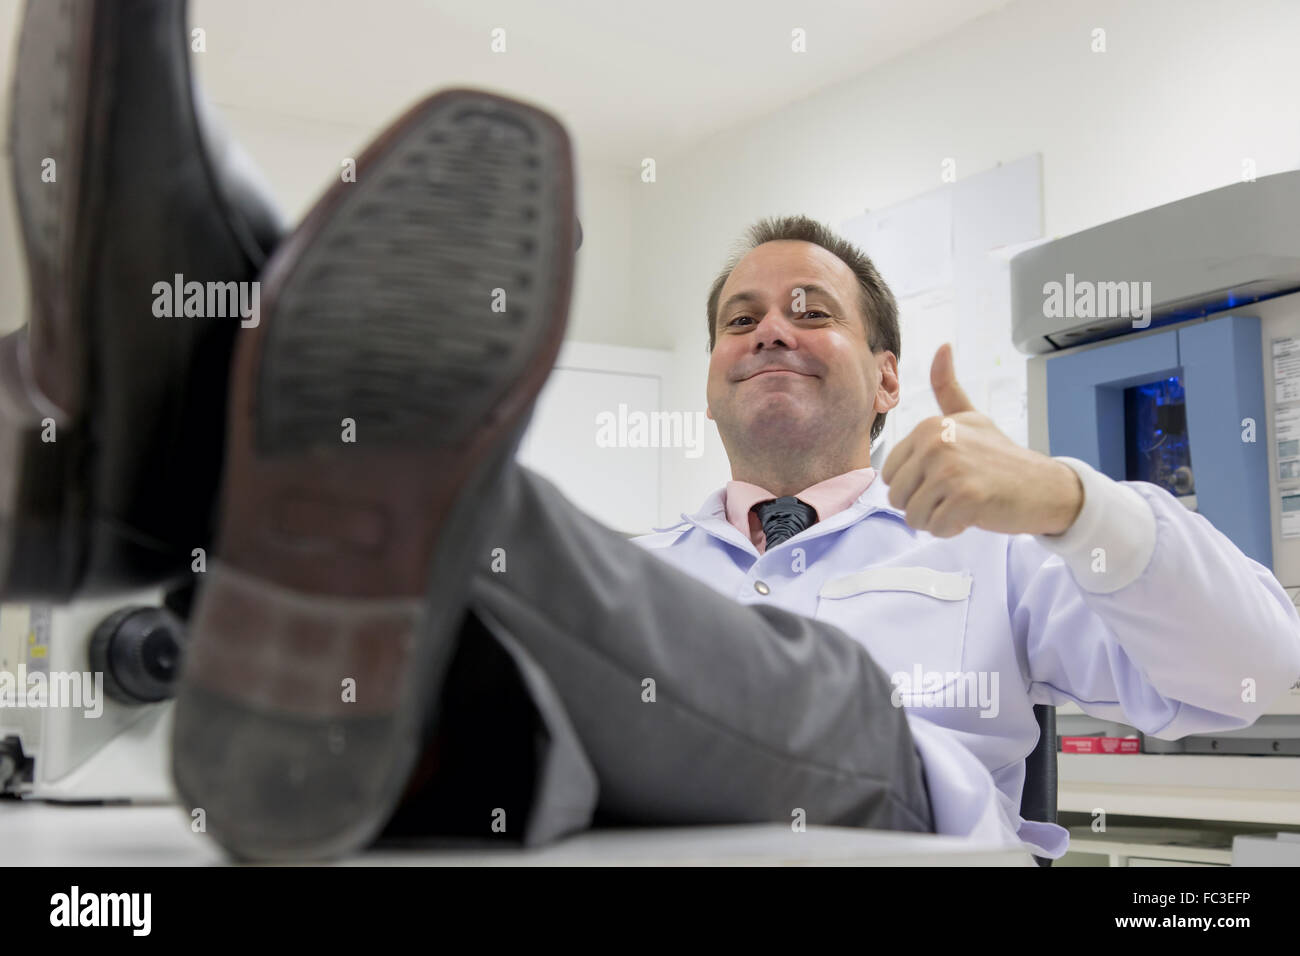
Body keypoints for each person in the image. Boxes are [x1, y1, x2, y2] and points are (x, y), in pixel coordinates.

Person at [6, 0, 1298, 865]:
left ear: (890, 375)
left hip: (889, 820)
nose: (771, 332)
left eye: (812, 312)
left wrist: (1074, 501)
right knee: (493, 660)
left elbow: (1260, 670)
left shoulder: (998, 552)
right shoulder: (645, 563)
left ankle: (164, 439)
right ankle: (180, 452)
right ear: (709, 381)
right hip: (587, 802)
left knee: (560, 564)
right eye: (740, 319)